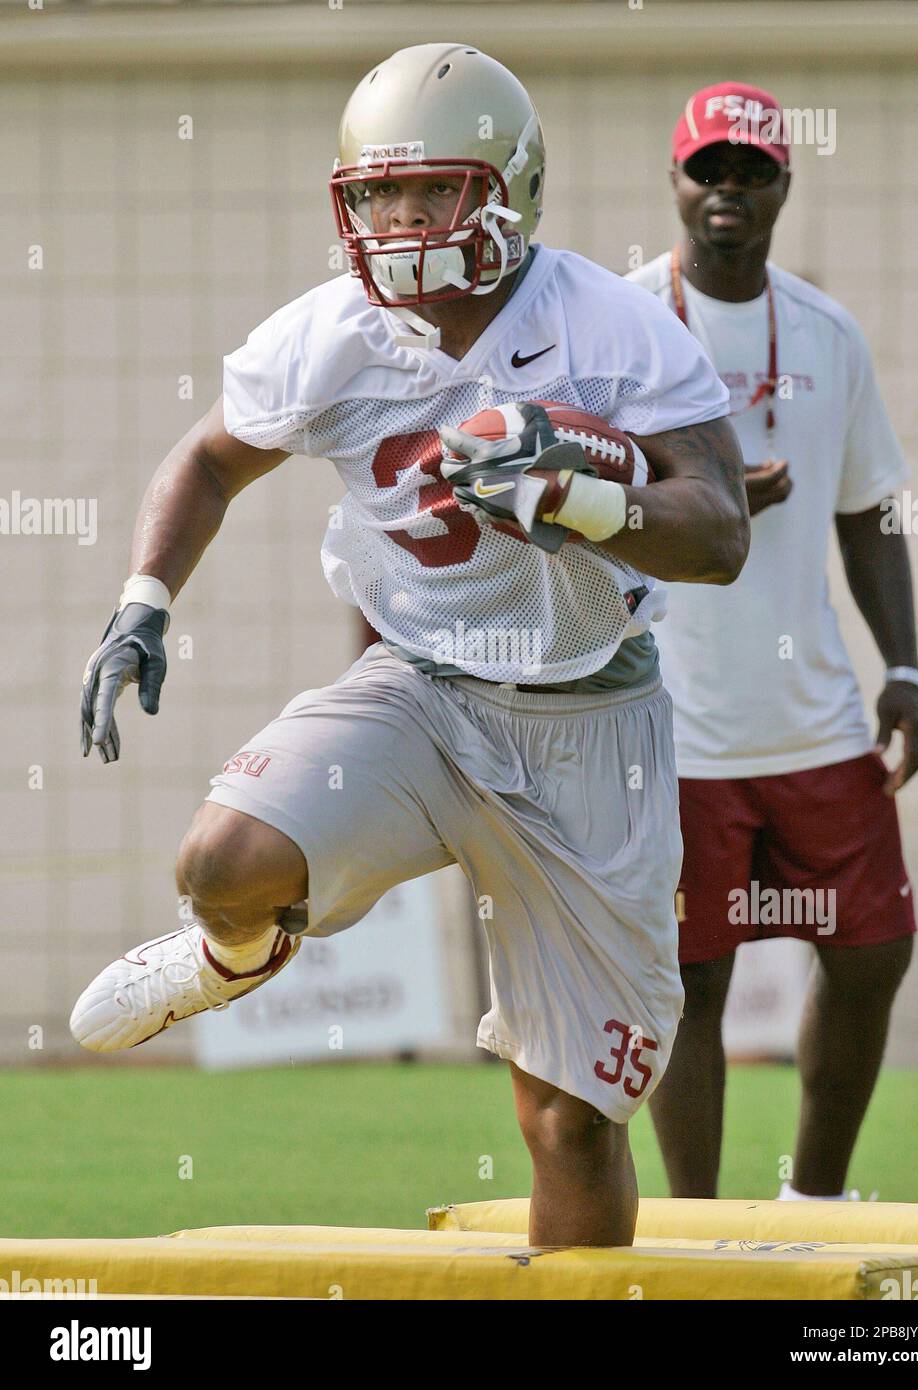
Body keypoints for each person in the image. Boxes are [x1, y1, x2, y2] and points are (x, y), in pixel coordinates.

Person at [71, 45, 748, 1247]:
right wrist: (144, 596)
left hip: (590, 719)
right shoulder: (331, 333)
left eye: (427, 192)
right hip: (423, 691)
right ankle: (233, 960)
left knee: (570, 1121)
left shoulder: (610, 325)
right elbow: (210, 459)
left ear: (507, 189)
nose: (396, 221)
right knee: (224, 862)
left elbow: (721, 530)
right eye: (375, 195)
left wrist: (586, 499)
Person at [627, 82, 918, 1201]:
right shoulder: (622, 322)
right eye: (709, 169)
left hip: (813, 723)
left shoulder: (824, 332)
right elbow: (580, 501)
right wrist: (703, 504)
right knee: (691, 980)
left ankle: (817, 1197)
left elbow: (868, 507)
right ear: (676, 181)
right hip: (672, 727)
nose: (727, 191)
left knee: (872, 950)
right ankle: (700, 1232)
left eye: (751, 171)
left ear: (783, 187)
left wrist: (904, 666)